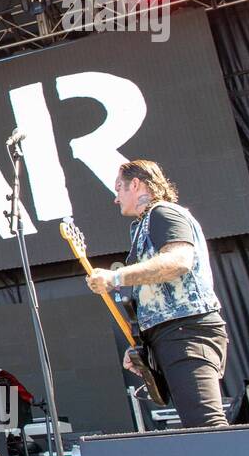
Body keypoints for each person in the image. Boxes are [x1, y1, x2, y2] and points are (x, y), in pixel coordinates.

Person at [86, 160, 230, 428]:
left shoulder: (164, 213)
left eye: (118, 188)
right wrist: (143, 346)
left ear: (137, 184)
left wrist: (116, 276)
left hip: (186, 330)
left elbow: (178, 262)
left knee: (207, 424)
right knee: (198, 425)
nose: (115, 198)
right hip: (170, 334)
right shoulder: (142, 226)